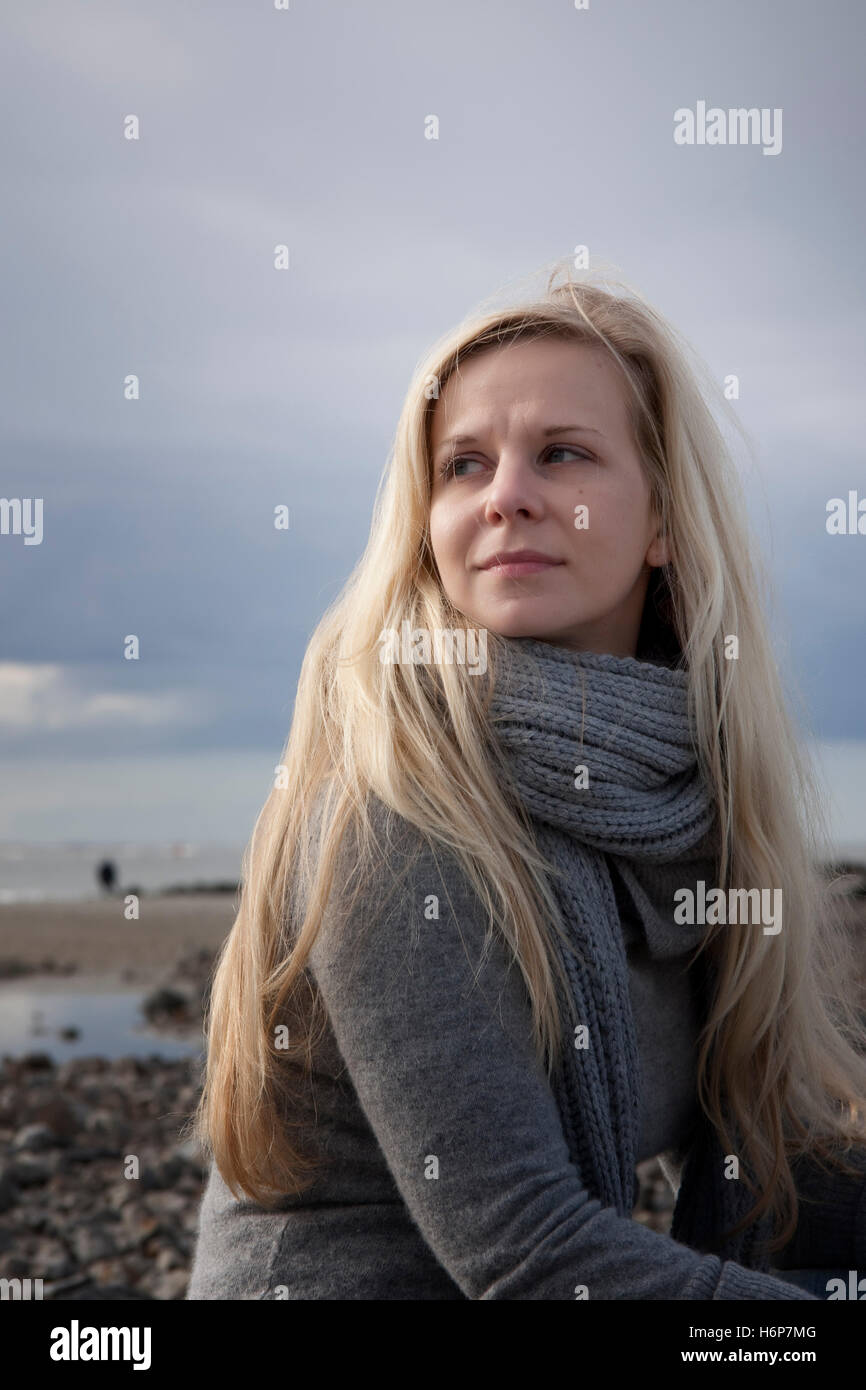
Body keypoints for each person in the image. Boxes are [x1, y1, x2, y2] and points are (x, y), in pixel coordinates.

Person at [185, 265, 866, 1300]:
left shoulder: (684, 796)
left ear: (661, 525)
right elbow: (530, 1259)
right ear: (428, 523)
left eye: (561, 453)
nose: (505, 494)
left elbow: (771, 1154)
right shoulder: (397, 815)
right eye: (462, 465)